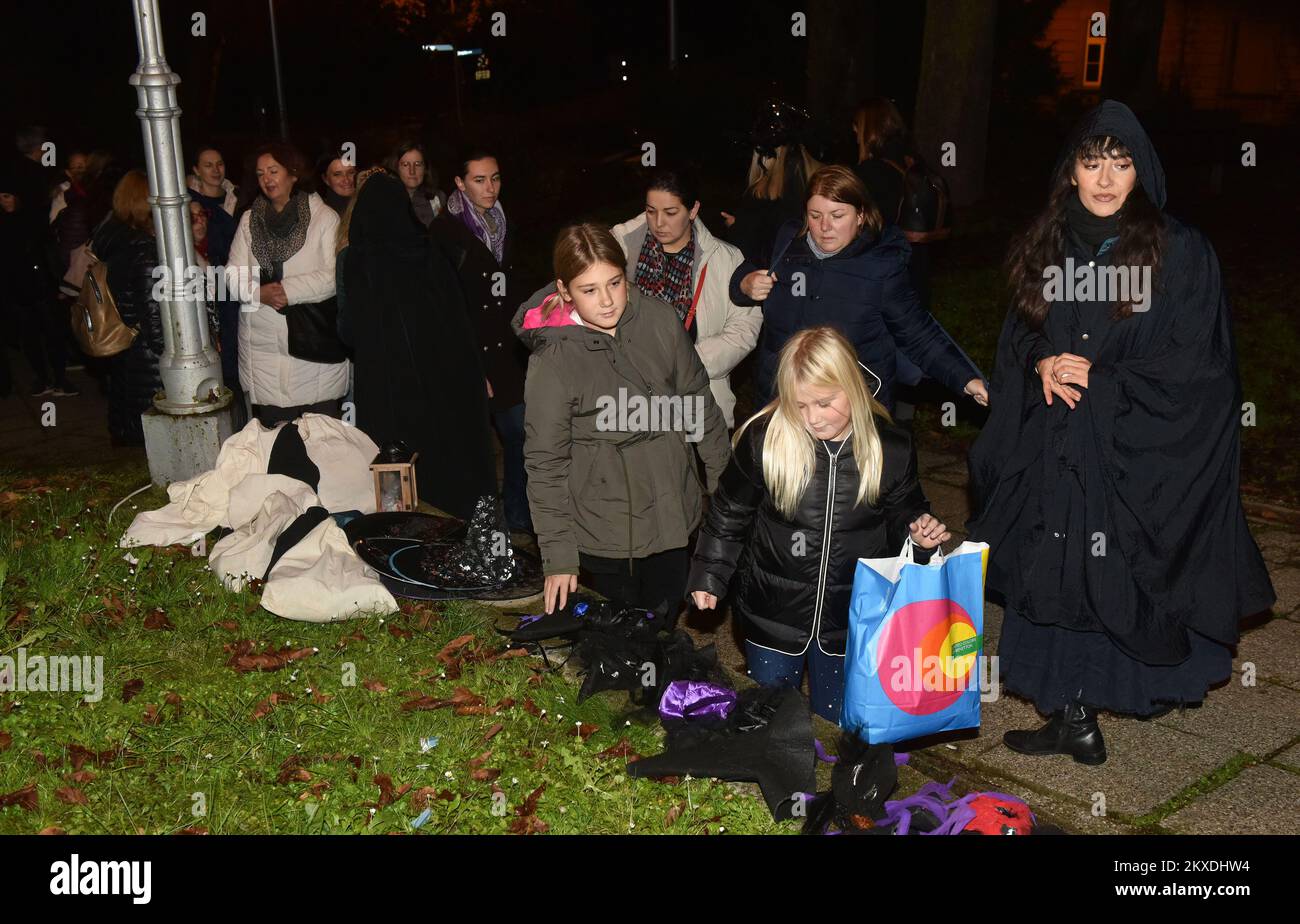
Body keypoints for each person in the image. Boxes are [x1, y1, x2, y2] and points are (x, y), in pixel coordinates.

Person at [968, 101, 1277, 764]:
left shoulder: (1180, 251)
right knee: (1059, 575)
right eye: (1091, 161)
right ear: (1069, 171)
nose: (1105, 178)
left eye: (1121, 162)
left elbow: (1202, 366)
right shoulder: (1045, 244)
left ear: (1142, 170)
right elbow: (1019, 332)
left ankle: (1124, 692)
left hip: (1132, 452)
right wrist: (1038, 361)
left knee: (1119, 570)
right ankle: (1072, 715)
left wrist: (1107, 382)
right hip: (1056, 449)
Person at [688, 326, 950, 722]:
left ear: (853, 386)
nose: (812, 418)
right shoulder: (765, 440)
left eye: (824, 403)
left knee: (836, 720)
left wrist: (920, 535)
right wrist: (710, 573)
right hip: (771, 613)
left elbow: (903, 511)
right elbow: (729, 511)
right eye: (800, 406)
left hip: (851, 618)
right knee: (770, 718)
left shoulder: (890, 447)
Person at [511, 223, 730, 617]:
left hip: (672, 512)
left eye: (614, 283)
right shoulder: (553, 360)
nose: (608, 301)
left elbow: (698, 403)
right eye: (589, 290)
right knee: (618, 647)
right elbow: (545, 463)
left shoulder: (659, 321)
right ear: (564, 291)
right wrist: (559, 556)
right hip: (605, 531)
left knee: (663, 629)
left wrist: (725, 497)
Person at [731, 164, 986, 411]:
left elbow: (918, 332)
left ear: (861, 215)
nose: (825, 227)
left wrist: (966, 379)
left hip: (850, 413)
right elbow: (743, 273)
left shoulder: (881, 267)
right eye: (815, 215)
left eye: (838, 216)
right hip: (782, 401)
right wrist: (745, 283)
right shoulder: (787, 242)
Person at [340, 170, 496, 519]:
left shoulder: (358, 262)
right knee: (446, 480)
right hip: (440, 386)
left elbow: (348, 331)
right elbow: (458, 321)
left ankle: (398, 552)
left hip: (386, 397)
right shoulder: (430, 253)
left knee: (394, 489)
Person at [609, 166, 762, 429]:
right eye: (650, 211)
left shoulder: (724, 258)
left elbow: (744, 328)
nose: (658, 223)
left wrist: (687, 363)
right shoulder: (619, 247)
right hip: (629, 400)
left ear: (692, 210)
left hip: (695, 403)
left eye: (670, 213)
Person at [431, 148, 532, 531]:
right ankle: (479, 525)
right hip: (471, 355)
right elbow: (445, 307)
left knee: (521, 436)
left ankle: (518, 517)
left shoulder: (508, 222)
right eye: (479, 180)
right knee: (477, 449)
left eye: (495, 178)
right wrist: (469, 364)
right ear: (459, 183)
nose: (490, 188)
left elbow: (518, 286)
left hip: (510, 353)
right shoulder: (445, 232)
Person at [225, 142, 347, 427]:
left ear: (293, 174)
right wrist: (258, 293)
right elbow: (232, 273)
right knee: (274, 441)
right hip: (262, 343)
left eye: (273, 171)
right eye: (260, 174)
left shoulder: (324, 218)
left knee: (320, 439)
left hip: (312, 342)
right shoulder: (248, 220)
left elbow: (333, 276)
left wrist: (286, 292)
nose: (267, 179)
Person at [89, 171, 165, 445]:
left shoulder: (116, 238)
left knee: (128, 426)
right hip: (148, 363)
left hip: (126, 351)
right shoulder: (144, 250)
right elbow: (154, 322)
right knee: (151, 441)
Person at [720, 100, 822, 264]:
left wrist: (738, 227)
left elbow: (754, 249)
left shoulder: (762, 193)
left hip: (769, 280)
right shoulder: (816, 180)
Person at [0, 177, 70, 398]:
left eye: (7, 196)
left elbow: (49, 249)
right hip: (17, 288)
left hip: (42, 284)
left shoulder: (32, 219)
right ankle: (42, 378)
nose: (3, 201)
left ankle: (60, 378)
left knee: (53, 332)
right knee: (29, 335)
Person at [385, 141, 444, 228]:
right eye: (405, 165)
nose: (412, 171)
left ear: (425, 169)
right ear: (395, 168)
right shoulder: (384, 200)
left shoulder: (437, 199)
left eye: (417, 164)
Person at [187, 145, 238, 216]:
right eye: (208, 165)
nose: (216, 170)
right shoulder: (189, 200)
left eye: (220, 164)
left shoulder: (237, 198)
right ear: (196, 170)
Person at [316, 150, 356, 217]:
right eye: (337, 174)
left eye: (351, 172)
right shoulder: (323, 213)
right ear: (325, 179)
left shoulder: (368, 202)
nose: (346, 180)